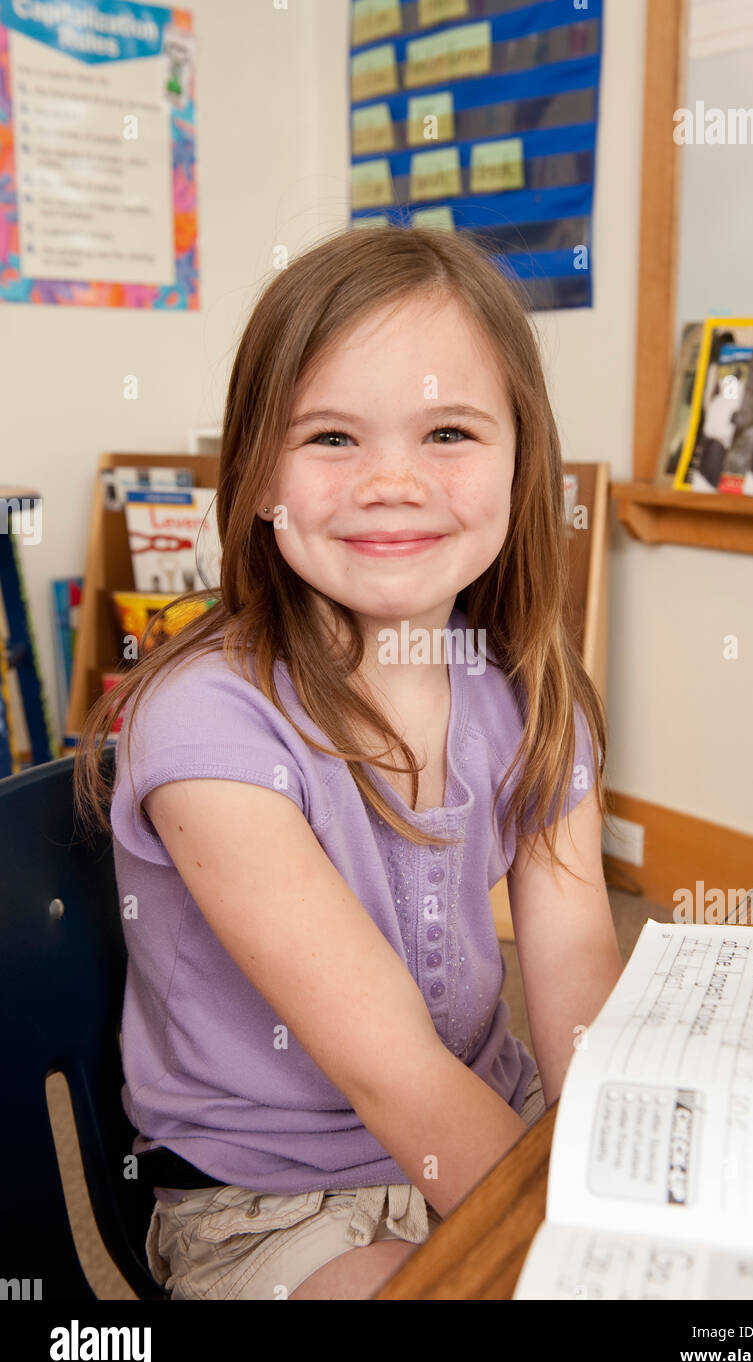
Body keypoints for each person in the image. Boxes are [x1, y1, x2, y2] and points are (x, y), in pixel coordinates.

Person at [73, 224, 623, 1301]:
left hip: (488, 1120)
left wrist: (618, 1159)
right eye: (331, 438)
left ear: (524, 461)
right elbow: (391, 1073)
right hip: (269, 1202)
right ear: (259, 472)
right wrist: (581, 1245)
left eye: (449, 433)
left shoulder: (527, 690)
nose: (390, 482)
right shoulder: (209, 731)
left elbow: (576, 957)